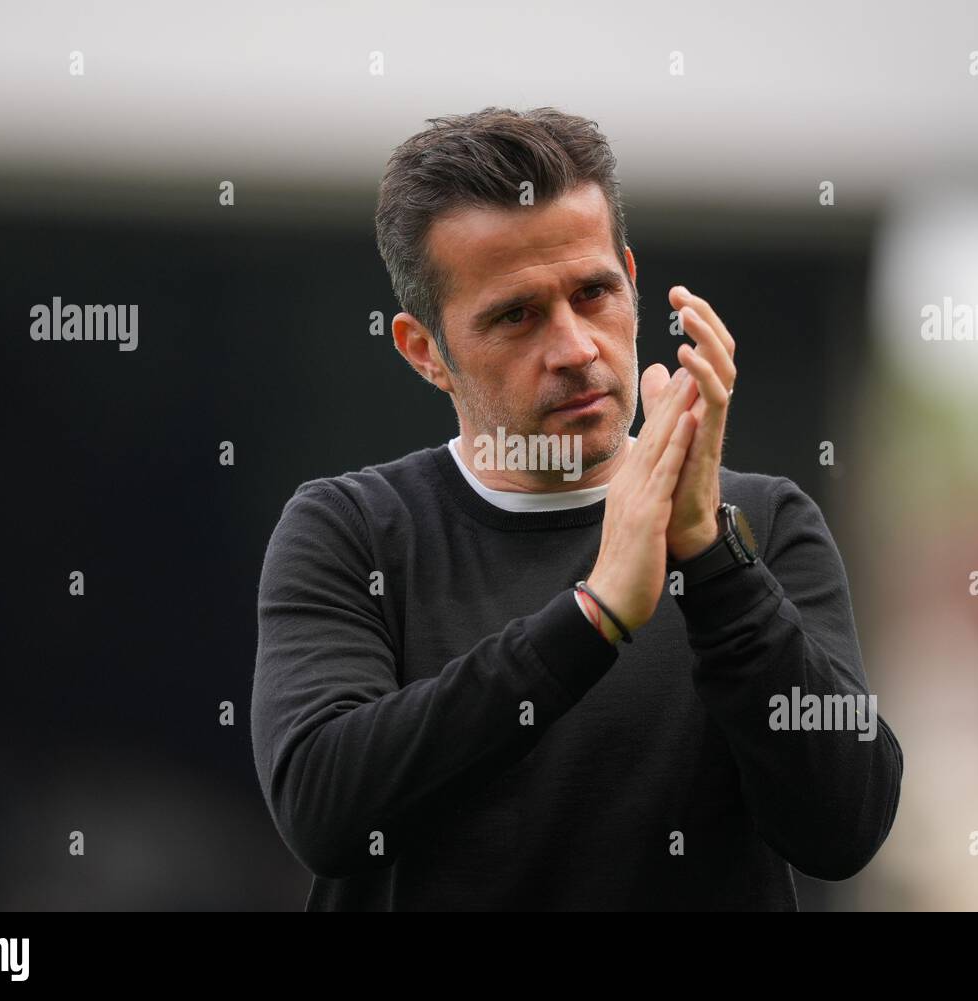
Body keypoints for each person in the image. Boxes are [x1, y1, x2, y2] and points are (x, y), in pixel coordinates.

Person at [250, 106, 903, 910]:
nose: (575, 347)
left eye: (594, 292)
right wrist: (592, 619)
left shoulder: (761, 527)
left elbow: (846, 829)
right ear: (426, 352)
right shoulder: (352, 532)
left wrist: (710, 557)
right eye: (516, 315)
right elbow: (325, 809)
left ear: (631, 281)